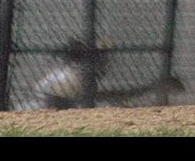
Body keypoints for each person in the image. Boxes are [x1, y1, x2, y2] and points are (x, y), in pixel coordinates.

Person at [15, 39, 184, 111]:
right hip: (34, 113)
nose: (106, 62)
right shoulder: (76, 76)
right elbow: (108, 96)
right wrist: (153, 87)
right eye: (101, 57)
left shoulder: (78, 73)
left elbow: (108, 96)